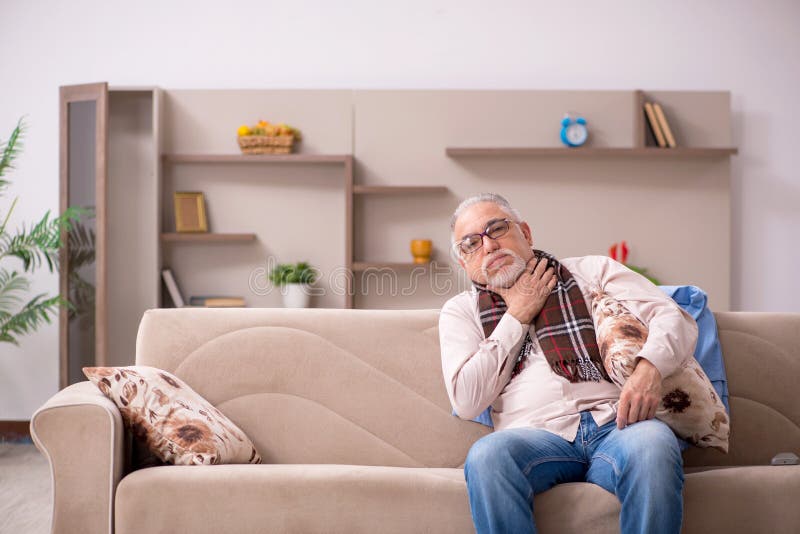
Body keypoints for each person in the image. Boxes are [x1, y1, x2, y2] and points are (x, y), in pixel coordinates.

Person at [439, 193, 698, 534]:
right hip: (533, 438)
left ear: (526, 233)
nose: (488, 246)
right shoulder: (462, 311)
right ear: (464, 263)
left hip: (616, 424)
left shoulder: (592, 271)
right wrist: (517, 314)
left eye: (497, 229)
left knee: (653, 443)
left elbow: (671, 316)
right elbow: (467, 399)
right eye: (471, 244)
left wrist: (649, 369)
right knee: (487, 456)